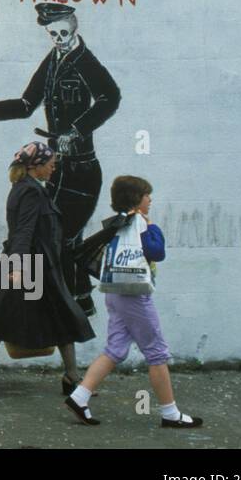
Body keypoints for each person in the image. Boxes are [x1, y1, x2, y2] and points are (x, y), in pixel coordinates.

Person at [0, 2, 120, 318]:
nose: (59, 39)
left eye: (64, 33)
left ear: (74, 29)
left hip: (81, 170)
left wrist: (76, 130)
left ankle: (77, 304)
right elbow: (27, 103)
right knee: (50, 237)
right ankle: (73, 305)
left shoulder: (85, 62)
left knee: (62, 238)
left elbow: (110, 98)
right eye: (53, 35)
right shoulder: (53, 60)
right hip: (56, 169)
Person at [64, 176, 202, 428]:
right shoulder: (139, 222)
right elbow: (157, 252)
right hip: (134, 294)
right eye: (147, 195)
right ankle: (170, 414)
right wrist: (152, 227)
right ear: (137, 199)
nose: (151, 199)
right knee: (157, 352)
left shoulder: (117, 222)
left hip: (114, 292)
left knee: (115, 349)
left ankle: (79, 396)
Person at [0, 142, 94, 397]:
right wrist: (17, 268)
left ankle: (71, 377)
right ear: (37, 166)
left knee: (17, 317)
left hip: (32, 264)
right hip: (31, 266)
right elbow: (24, 231)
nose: (54, 168)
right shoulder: (31, 192)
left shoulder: (25, 188)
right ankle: (71, 378)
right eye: (50, 164)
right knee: (57, 316)